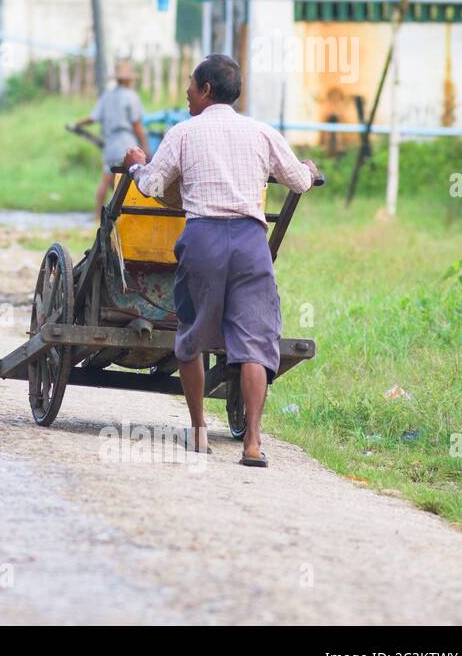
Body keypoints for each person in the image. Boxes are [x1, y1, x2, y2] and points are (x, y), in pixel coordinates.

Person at [123, 55, 317, 467]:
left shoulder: (184, 133)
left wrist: (136, 164)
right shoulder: (261, 132)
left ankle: (198, 433)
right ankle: (252, 443)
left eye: (191, 85)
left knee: (191, 338)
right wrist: (307, 167)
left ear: (207, 90)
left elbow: (156, 184)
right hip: (250, 244)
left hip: (203, 239)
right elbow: (299, 181)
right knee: (253, 346)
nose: (187, 93)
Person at [71, 61, 151, 214]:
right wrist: (145, 146)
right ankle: (121, 215)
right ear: (128, 80)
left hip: (110, 144)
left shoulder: (107, 97)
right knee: (126, 182)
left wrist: (76, 124)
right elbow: (136, 124)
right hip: (126, 142)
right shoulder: (131, 96)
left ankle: (96, 216)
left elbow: (92, 118)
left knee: (107, 179)